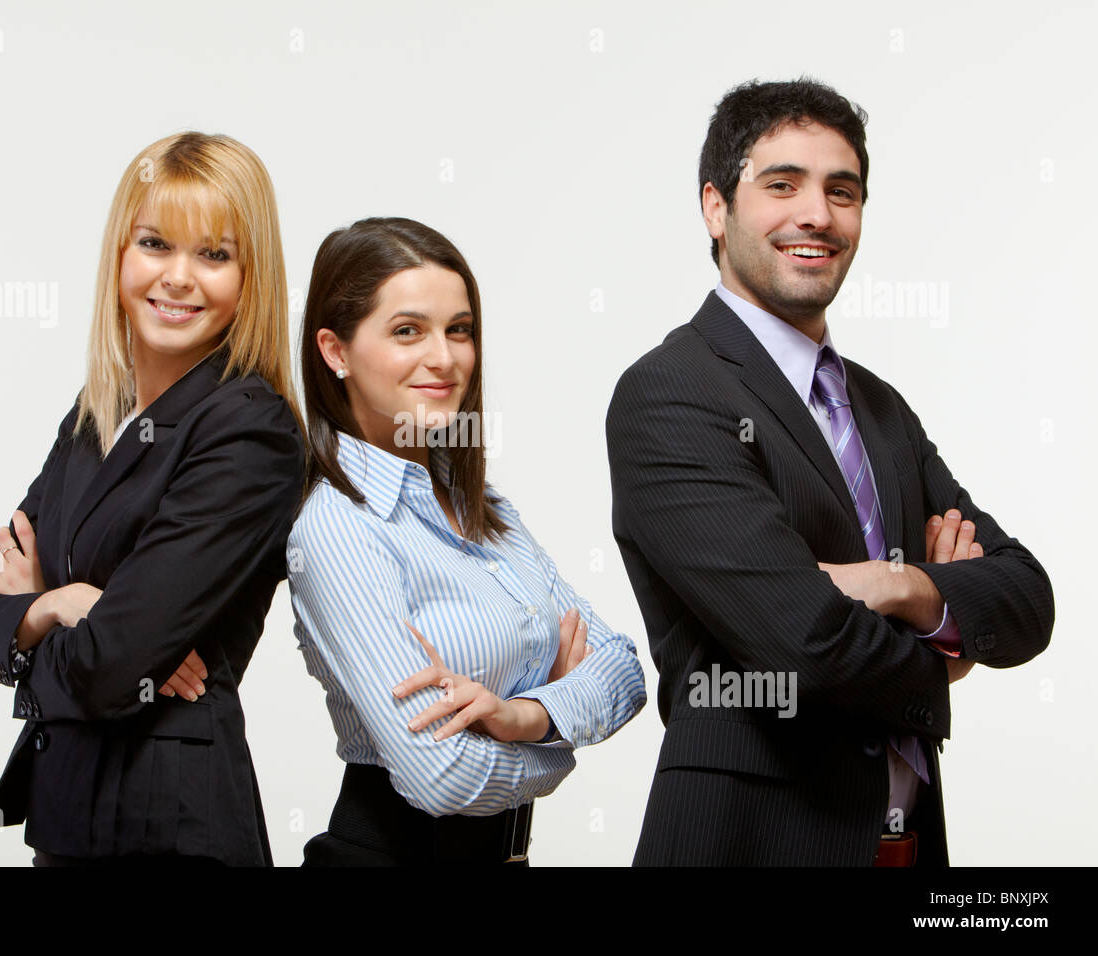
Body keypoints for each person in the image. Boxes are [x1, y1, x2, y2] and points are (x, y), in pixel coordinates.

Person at [606, 78, 1054, 867]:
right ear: (716, 207)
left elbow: (1026, 594)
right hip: (752, 843)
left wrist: (905, 588)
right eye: (783, 184)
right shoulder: (672, 392)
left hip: (907, 849)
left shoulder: (879, 407)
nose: (816, 214)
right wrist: (950, 649)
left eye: (841, 192)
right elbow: (805, 644)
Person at [0, 132, 304, 866]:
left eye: (215, 254)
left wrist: (63, 621)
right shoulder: (94, 418)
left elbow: (111, 667)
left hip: (169, 835)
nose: (179, 278)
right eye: (155, 244)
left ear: (251, 277)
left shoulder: (247, 429)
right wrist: (56, 604)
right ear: (119, 255)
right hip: (69, 825)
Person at [288, 217, 647, 865]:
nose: (445, 357)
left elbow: (623, 667)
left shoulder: (486, 509)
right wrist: (561, 742)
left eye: (459, 329)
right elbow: (442, 779)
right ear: (335, 351)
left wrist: (525, 716)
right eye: (407, 331)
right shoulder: (338, 526)